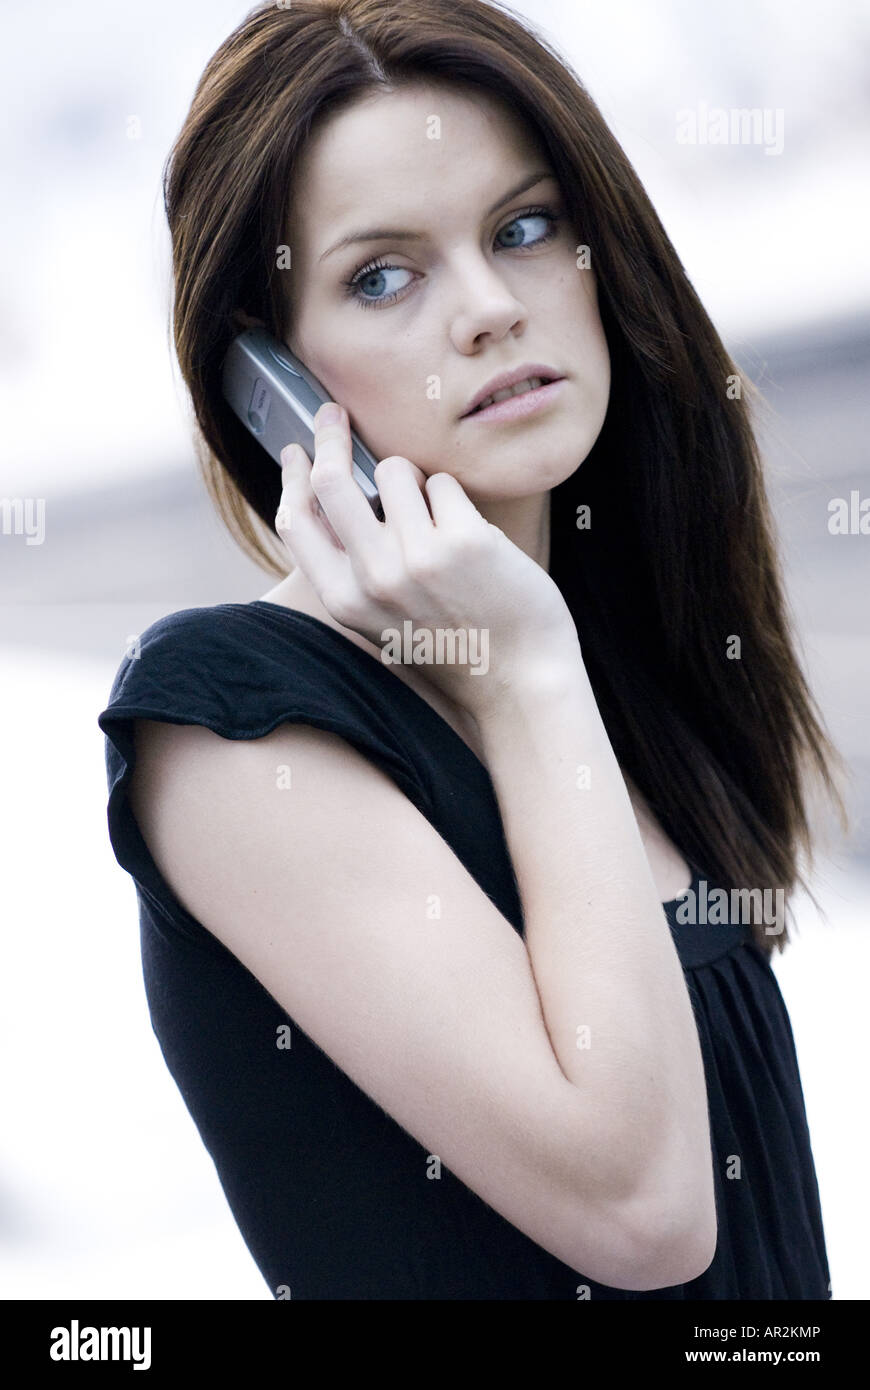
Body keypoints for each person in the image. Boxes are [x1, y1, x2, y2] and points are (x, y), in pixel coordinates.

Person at [97, 0, 848, 1299]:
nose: (493, 308)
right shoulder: (231, 723)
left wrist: (543, 663)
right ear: (267, 379)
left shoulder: (620, 666)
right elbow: (641, 1212)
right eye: (381, 275)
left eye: (524, 226)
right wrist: (526, 673)